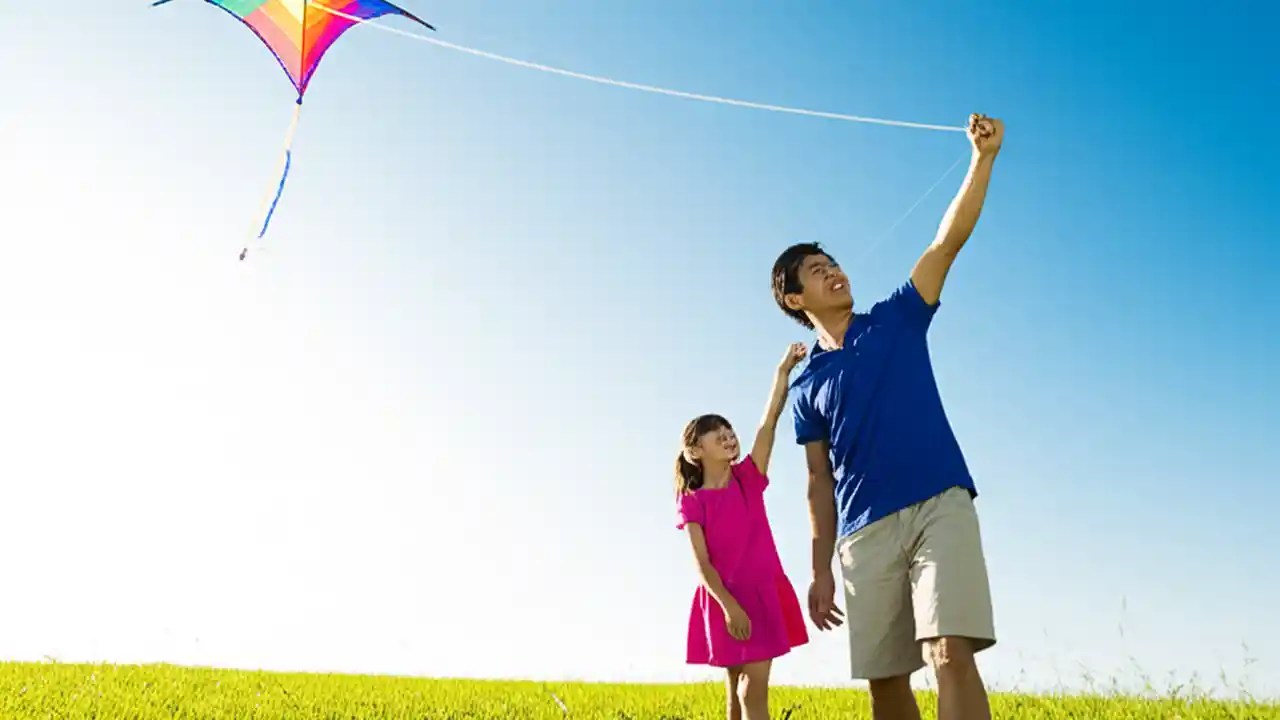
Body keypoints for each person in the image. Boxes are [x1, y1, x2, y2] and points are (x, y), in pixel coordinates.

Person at [771, 114, 1005, 720]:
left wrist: (982, 160)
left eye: (833, 262)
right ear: (796, 299)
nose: (833, 270)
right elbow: (818, 483)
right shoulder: (806, 387)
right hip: (862, 534)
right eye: (816, 271)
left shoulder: (898, 318)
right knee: (887, 683)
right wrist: (819, 570)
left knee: (950, 651)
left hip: (938, 503)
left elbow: (945, 242)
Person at [674, 342, 812, 720]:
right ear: (694, 451)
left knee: (753, 686)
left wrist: (782, 373)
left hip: (762, 592)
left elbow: (767, 423)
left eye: (728, 429)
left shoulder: (747, 480)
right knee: (734, 695)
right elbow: (702, 563)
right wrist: (729, 606)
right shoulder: (693, 501)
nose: (727, 436)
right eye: (715, 433)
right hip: (722, 599)